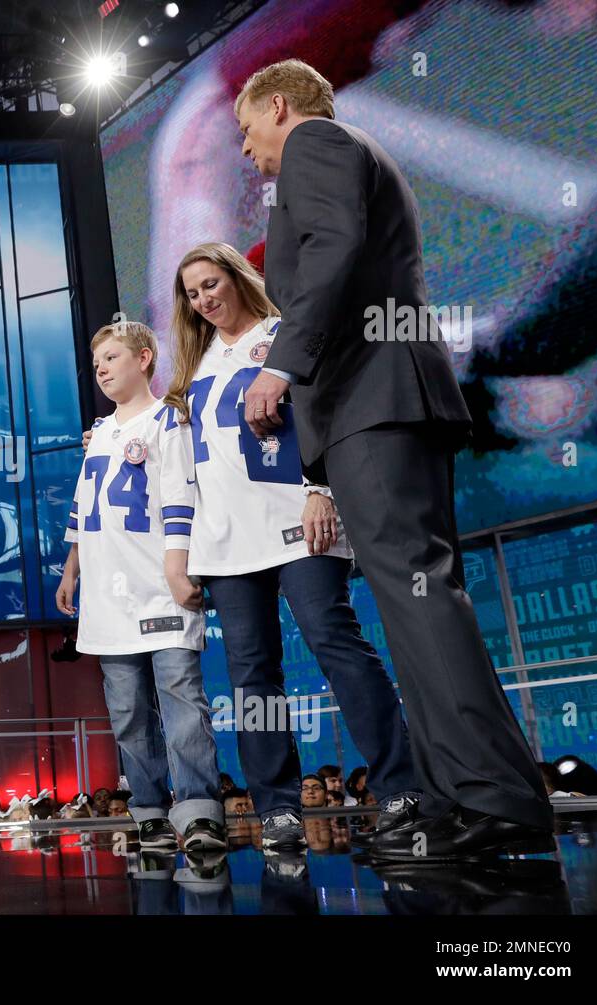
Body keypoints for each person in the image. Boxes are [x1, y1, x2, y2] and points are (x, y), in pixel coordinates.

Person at [235, 58, 552, 858]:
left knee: (420, 599)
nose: (244, 149)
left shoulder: (316, 143)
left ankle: (495, 798)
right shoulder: (329, 154)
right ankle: (460, 795)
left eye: (246, 130)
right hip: (369, 407)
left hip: (377, 402)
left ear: (279, 106)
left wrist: (282, 363)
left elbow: (336, 246)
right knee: (414, 605)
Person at [164, 242, 417, 851]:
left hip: (298, 520)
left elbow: (323, 412)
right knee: (252, 678)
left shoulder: (286, 334)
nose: (204, 298)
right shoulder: (194, 369)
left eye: (210, 283)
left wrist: (320, 489)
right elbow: (181, 472)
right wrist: (179, 556)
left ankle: (401, 788)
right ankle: (276, 807)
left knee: (335, 642)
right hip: (224, 543)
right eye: (192, 292)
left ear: (236, 277)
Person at [57, 321, 224, 854]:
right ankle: (149, 812)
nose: (101, 369)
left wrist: (179, 569)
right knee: (127, 711)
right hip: (107, 598)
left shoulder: (168, 419)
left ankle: (197, 811)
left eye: (111, 357)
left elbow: (180, 496)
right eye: (96, 362)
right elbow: (86, 506)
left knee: (181, 701)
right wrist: (71, 567)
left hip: (159, 583)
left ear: (145, 358)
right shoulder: (99, 432)